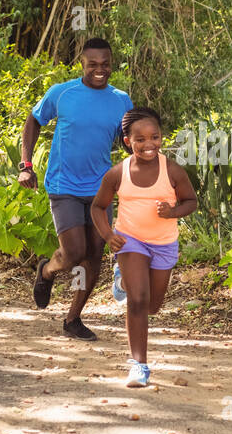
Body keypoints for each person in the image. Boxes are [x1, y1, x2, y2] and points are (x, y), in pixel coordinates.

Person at [20, 37, 132, 340]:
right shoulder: (62, 93)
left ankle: (73, 319)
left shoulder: (121, 100)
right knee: (73, 252)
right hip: (64, 183)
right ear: (81, 63)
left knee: (94, 253)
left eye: (105, 64)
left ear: (111, 64)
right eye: (93, 64)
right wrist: (25, 164)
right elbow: (34, 120)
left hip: (100, 187)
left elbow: (129, 139)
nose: (100, 70)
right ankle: (46, 271)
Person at [91, 107, 197, 387]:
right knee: (137, 301)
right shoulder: (117, 173)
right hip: (130, 241)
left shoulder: (172, 170)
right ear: (128, 142)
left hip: (163, 244)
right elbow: (98, 207)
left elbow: (191, 202)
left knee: (152, 305)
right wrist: (106, 235)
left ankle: (123, 283)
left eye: (155, 137)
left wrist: (173, 211)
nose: (148, 144)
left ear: (161, 138)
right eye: (140, 139)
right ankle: (139, 366)